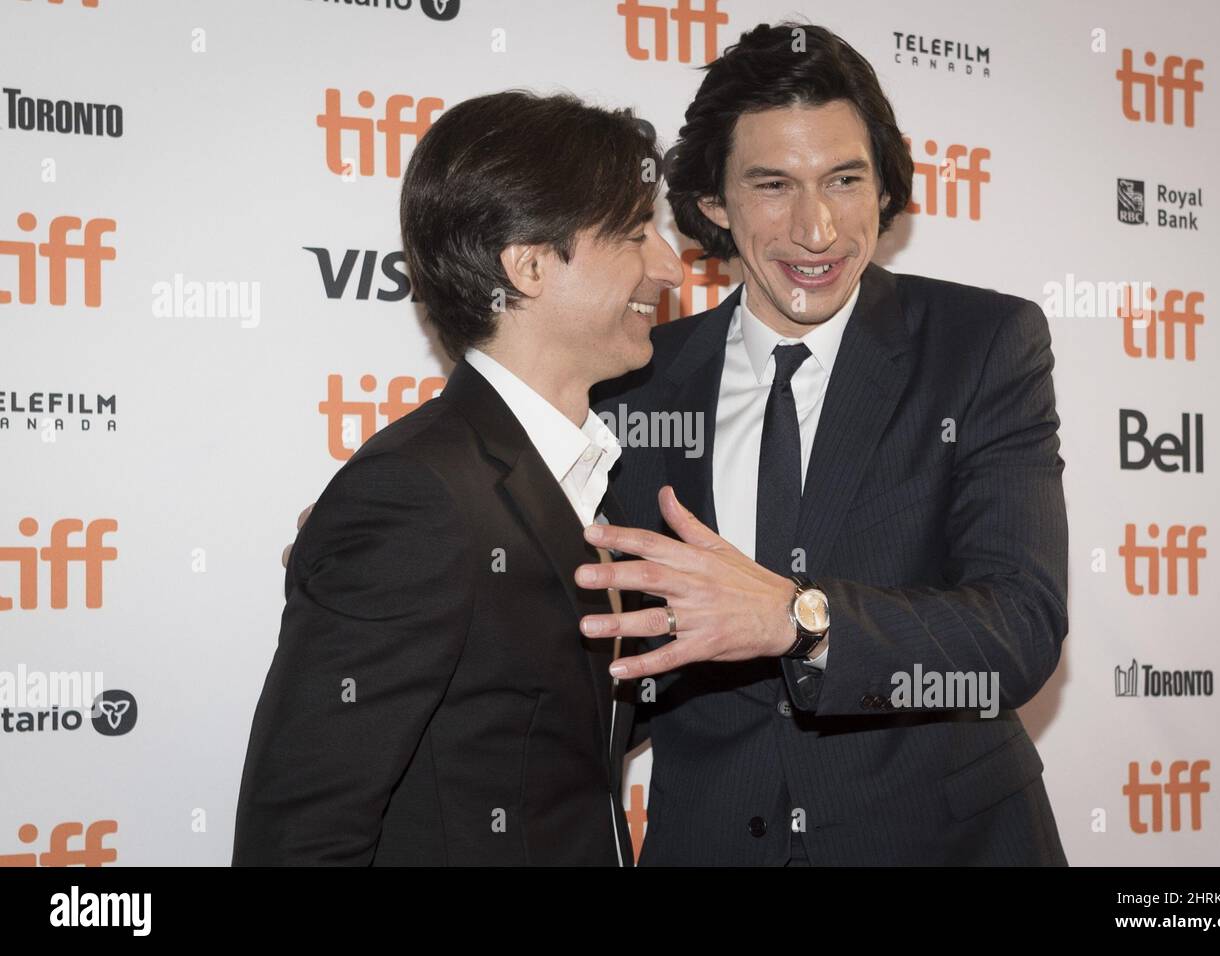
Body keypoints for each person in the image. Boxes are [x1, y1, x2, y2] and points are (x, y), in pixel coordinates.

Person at [583, 22, 1070, 865]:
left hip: (944, 845)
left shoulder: (982, 344)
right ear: (713, 207)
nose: (818, 231)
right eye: (773, 186)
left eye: (845, 180)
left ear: (883, 188)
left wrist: (796, 619)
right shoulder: (637, 378)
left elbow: (1019, 631)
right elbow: (599, 623)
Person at [232, 90, 682, 865]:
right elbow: (299, 838)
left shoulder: (579, 481)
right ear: (531, 264)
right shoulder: (415, 498)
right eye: (639, 233)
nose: (670, 266)